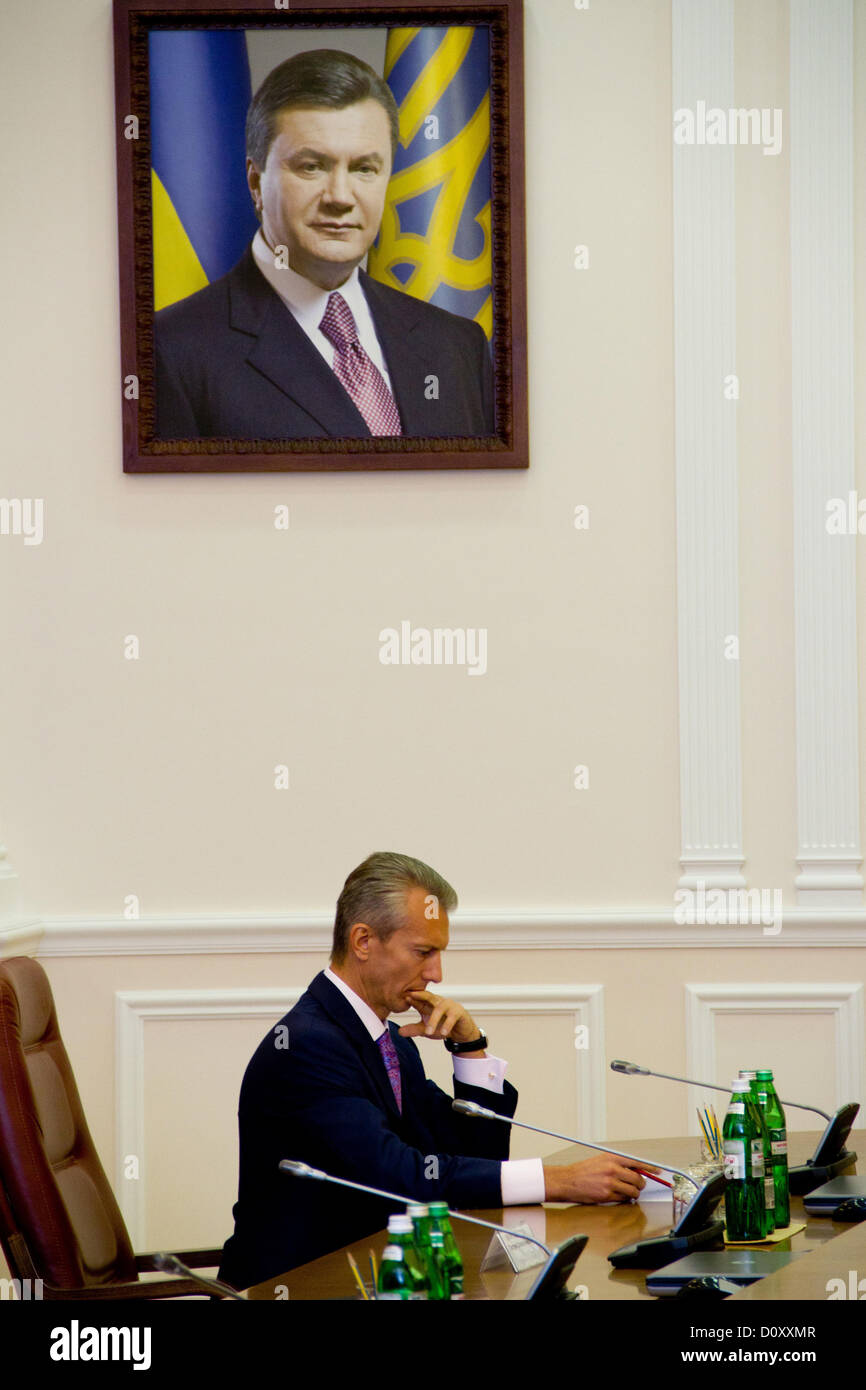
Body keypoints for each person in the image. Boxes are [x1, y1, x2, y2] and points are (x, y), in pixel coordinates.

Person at [218, 852, 653, 1291]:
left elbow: (472, 1159)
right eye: (423, 952)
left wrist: (469, 1048)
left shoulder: (388, 1039)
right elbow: (400, 1175)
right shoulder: (308, 1045)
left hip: (382, 1275)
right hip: (302, 1283)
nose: (437, 974)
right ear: (363, 941)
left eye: (439, 953)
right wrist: (557, 1180)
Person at [155, 49, 494, 441]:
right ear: (255, 182)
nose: (340, 196)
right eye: (311, 166)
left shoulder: (457, 346)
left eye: (364, 169)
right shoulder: (174, 352)